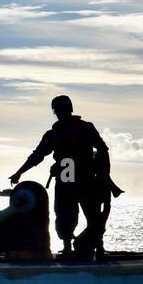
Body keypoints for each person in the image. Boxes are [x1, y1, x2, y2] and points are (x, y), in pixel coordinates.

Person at [9, 95, 123, 260]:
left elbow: (102, 149)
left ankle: (90, 248)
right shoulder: (56, 134)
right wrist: (20, 171)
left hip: (81, 180)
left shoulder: (81, 129)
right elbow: (37, 155)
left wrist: (104, 175)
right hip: (71, 180)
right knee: (69, 215)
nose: (61, 113)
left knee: (88, 216)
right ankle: (76, 249)